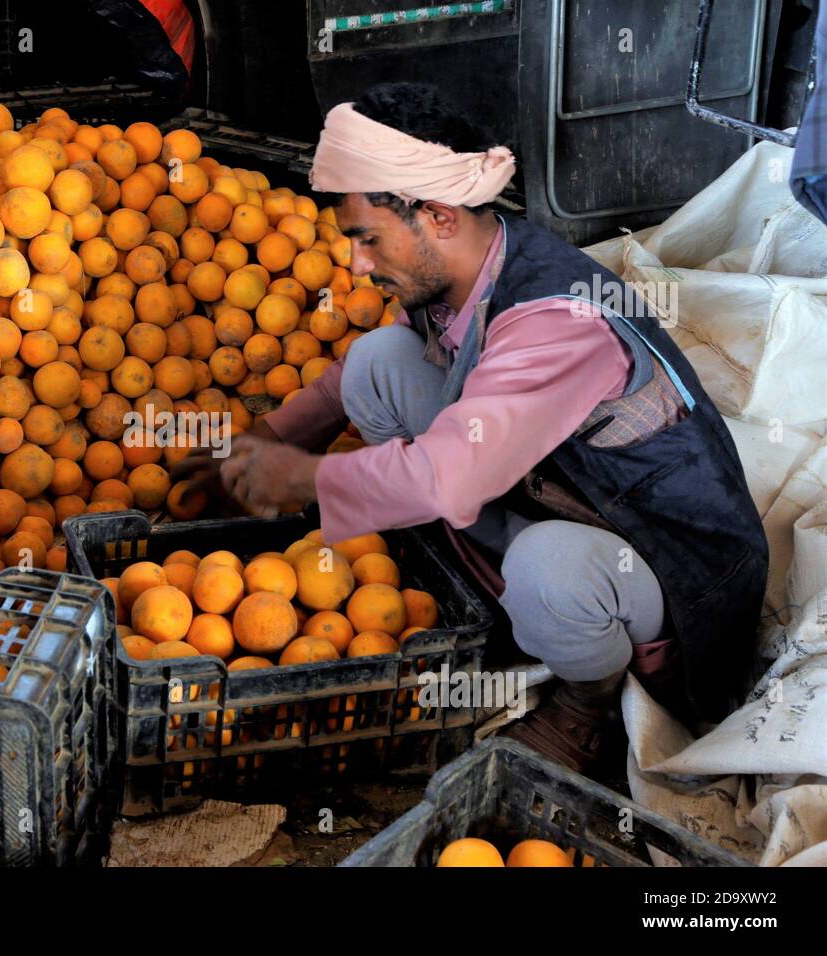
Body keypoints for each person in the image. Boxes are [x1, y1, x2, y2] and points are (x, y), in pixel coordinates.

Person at [176, 82, 768, 776]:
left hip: (669, 570)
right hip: (562, 491)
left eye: (368, 239)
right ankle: (463, 576)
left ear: (436, 216)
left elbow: (450, 472)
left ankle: (588, 705)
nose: (357, 265)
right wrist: (266, 442)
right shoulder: (474, 269)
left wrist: (302, 479)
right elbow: (350, 387)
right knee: (377, 362)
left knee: (546, 572)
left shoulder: (558, 321)